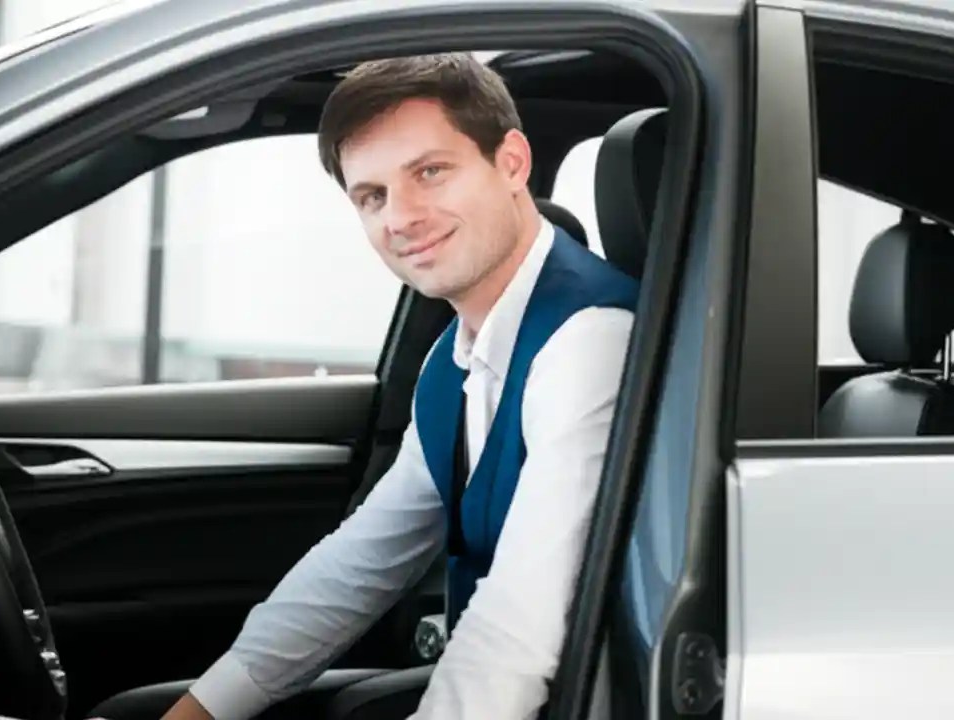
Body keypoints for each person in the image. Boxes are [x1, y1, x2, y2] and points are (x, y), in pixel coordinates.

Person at [160, 52, 636, 720]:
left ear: (512, 164)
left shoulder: (589, 340)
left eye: (431, 172)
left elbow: (515, 627)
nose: (401, 217)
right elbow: (361, 564)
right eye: (372, 196)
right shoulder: (455, 361)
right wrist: (201, 710)